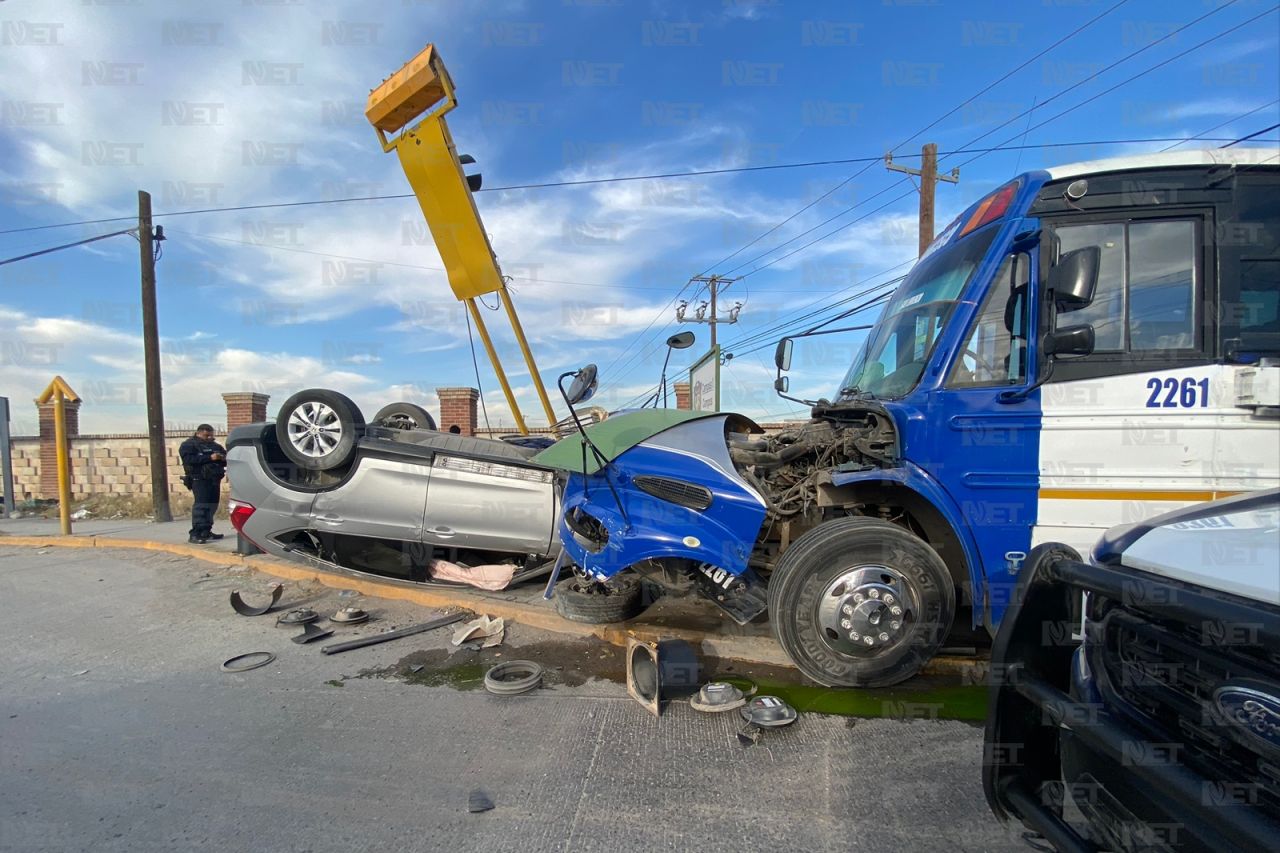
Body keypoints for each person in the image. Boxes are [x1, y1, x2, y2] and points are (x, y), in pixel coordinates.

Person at [179, 424, 227, 544]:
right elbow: (189, 460)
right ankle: (195, 534)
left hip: (214, 479)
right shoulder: (189, 445)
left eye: (211, 435)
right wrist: (210, 457)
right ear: (199, 433)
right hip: (199, 479)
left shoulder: (216, 446)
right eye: (207, 435)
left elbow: (226, 458)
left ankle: (206, 531)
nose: (210, 437)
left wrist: (222, 458)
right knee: (201, 507)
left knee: (212, 506)